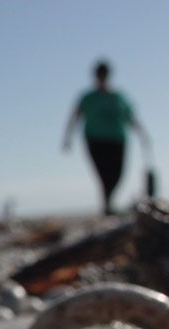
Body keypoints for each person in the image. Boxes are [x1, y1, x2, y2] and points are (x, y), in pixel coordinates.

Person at [62, 60, 150, 216]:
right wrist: (67, 138)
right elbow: (75, 116)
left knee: (118, 173)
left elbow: (130, 116)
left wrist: (142, 134)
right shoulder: (88, 97)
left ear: (109, 76)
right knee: (103, 174)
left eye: (104, 75)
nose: (102, 78)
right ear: (96, 76)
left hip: (117, 139)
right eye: (99, 75)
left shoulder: (118, 97)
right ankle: (107, 207)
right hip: (95, 139)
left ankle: (108, 204)